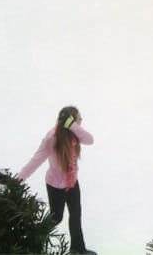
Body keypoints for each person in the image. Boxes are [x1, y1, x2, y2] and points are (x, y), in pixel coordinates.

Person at [18, 107, 95, 254]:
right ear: (70, 120)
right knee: (56, 218)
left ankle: (77, 248)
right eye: (78, 118)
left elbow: (90, 140)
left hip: (72, 182)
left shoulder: (75, 134)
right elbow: (36, 159)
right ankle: (31, 240)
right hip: (55, 186)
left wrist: (73, 126)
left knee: (76, 214)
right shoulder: (52, 138)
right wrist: (18, 180)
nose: (81, 121)